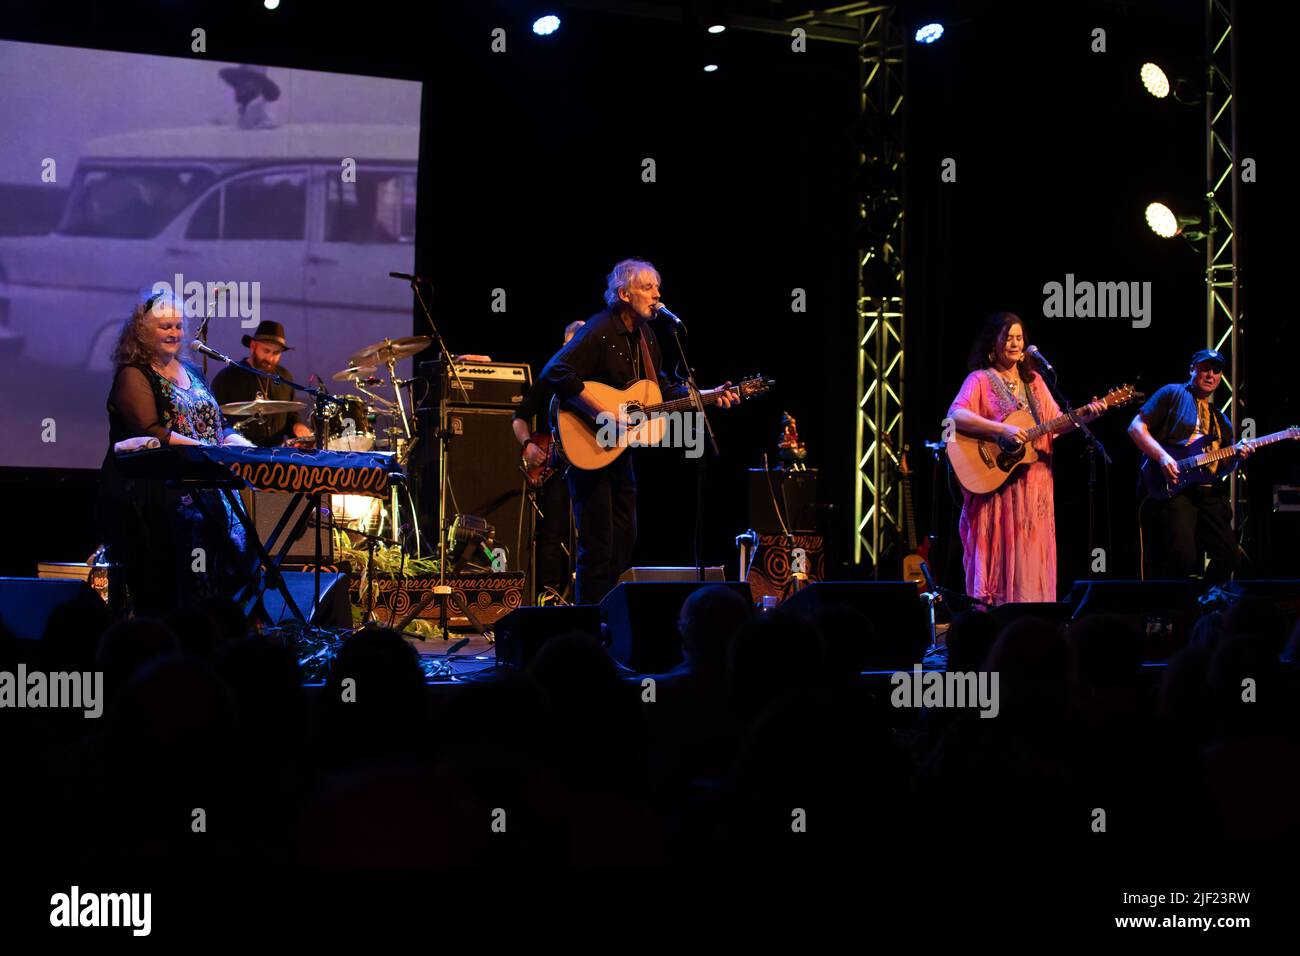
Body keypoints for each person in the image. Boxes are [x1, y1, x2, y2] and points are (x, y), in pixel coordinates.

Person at [540, 259, 738, 605]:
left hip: (620, 452)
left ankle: (606, 613)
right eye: (648, 288)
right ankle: (590, 627)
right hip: (588, 444)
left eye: (657, 288)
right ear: (624, 294)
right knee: (597, 544)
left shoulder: (647, 336)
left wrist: (708, 396)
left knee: (625, 539)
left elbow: (661, 392)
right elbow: (555, 370)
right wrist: (603, 414)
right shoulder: (599, 329)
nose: (657, 294)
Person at [97, 291, 256, 617]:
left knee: (229, 566)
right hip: (161, 491)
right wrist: (207, 449)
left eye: (178, 326)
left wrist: (241, 444)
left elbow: (219, 424)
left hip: (209, 485)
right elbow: (152, 431)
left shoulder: (193, 373)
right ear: (142, 331)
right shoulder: (134, 374)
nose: (174, 333)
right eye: (164, 326)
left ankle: (218, 635)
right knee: (177, 583)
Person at [946, 312, 1104, 605]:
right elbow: (955, 415)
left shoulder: (1036, 382)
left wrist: (1085, 417)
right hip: (997, 489)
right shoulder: (979, 379)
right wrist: (1002, 429)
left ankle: (1031, 622)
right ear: (993, 343)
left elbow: (1055, 424)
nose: (1014, 343)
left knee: (1030, 551)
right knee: (998, 553)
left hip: (1034, 487)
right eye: (1008, 338)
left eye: (1019, 338)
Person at [1126, 348, 1250, 582]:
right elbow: (1135, 427)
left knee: (1230, 556)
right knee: (1183, 556)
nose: (1211, 374)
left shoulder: (1221, 420)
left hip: (1207, 492)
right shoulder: (1173, 393)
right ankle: (1175, 610)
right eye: (1205, 368)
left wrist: (1236, 457)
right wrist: (1163, 457)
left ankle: (1203, 599)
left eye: (1216, 371)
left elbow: (1220, 469)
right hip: (1174, 487)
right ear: (1192, 369)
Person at [512, 320, 585, 602]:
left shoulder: (596, 381)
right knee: (552, 534)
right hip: (555, 466)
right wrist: (528, 445)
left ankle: (587, 600)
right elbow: (520, 416)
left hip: (588, 464)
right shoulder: (550, 377)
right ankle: (549, 599)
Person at [210, 320, 313, 447]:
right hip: (239, 452)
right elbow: (213, 417)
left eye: (276, 353)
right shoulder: (228, 377)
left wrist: (297, 426)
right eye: (266, 350)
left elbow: (291, 415)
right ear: (253, 346)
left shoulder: (285, 377)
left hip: (276, 453)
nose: (270, 358)